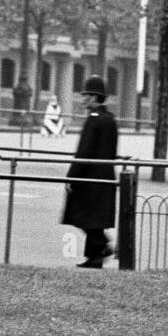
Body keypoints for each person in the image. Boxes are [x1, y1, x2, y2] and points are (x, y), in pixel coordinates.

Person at [62, 74, 118, 268]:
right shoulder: (109, 119)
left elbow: (83, 152)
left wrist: (71, 177)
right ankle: (95, 255)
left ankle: (101, 246)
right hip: (105, 175)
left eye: (86, 95)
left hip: (89, 176)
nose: (83, 98)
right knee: (95, 217)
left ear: (94, 97)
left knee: (80, 214)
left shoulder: (93, 120)